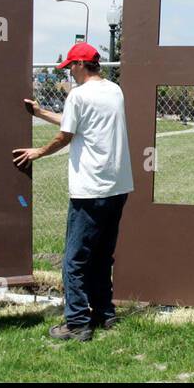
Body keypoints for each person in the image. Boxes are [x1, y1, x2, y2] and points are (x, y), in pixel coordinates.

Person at [13, 42, 133, 342]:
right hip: (118, 187)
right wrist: (40, 113)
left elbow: (66, 134)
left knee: (75, 259)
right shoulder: (114, 91)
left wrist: (38, 152)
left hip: (90, 189)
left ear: (80, 64)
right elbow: (77, 123)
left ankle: (77, 322)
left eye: (70, 66)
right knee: (103, 255)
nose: (68, 71)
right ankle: (104, 314)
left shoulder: (79, 95)